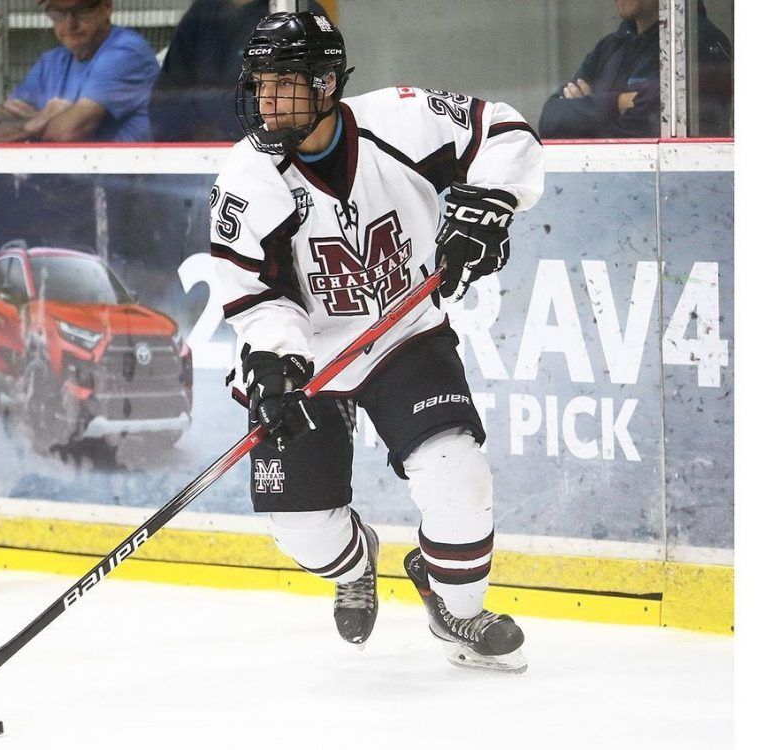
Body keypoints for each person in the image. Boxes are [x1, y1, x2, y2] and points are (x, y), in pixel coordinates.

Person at [210, 11, 544, 672]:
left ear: (327, 82)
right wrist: (276, 363)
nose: (266, 100)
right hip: (309, 361)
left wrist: (489, 204)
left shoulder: (401, 119)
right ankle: (355, 563)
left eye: (283, 83)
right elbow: (256, 296)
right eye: (259, 84)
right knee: (305, 530)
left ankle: (458, 611)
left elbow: (504, 130)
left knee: (456, 474)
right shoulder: (247, 179)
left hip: (404, 337)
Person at [538, 0, 732, 139]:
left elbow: (647, 127)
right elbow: (550, 120)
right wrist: (618, 103)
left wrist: (585, 115)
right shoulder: (610, 48)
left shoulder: (693, 42)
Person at [0, 0, 159, 142]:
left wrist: (30, 124)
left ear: (106, 7)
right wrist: (38, 121)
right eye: (58, 13)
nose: (69, 24)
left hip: (121, 174)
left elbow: (67, 132)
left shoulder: (127, 52)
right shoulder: (51, 61)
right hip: (68, 173)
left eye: (81, 11)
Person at [149, 0, 325, 141]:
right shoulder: (201, 14)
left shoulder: (297, 11)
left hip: (270, 161)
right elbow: (162, 106)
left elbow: (289, 107)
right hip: (196, 162)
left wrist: (200, 108)